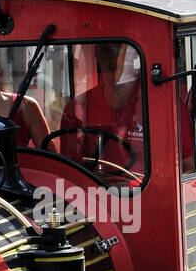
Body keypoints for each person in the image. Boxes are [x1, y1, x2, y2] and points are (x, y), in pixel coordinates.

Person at [57, 42, 145, 173]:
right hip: (94, 190)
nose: (111, 57)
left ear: (134, 54)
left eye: (118, 49)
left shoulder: (159, 102)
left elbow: (185, 164)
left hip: (147, 190)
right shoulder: (77, 107)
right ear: (96, 56)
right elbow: (71, 167)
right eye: (104, 50)